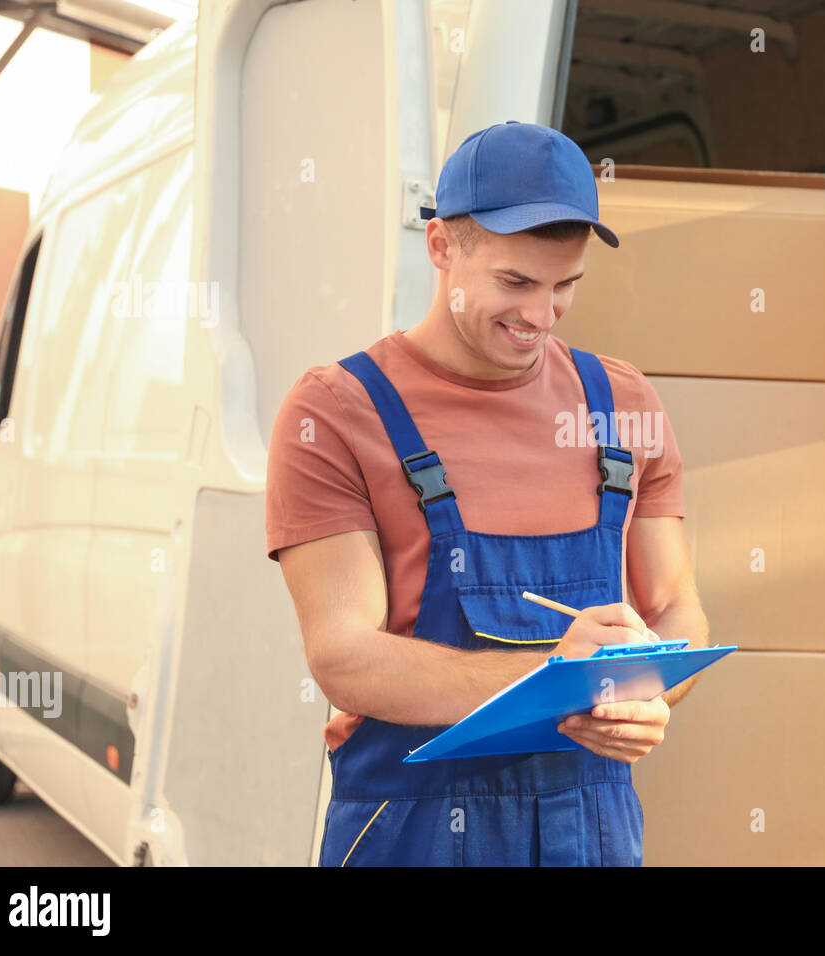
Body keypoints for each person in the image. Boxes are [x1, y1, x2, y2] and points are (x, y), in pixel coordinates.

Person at [265, 121, 708, 866]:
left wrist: (647, 694)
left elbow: (674, 609)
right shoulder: (338, 412)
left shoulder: (623, 406)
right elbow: (342, 655)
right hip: (413, 831)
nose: (541, 316)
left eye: (565, 286)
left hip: (592, 827)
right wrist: (558, 682)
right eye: (515, 283)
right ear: (441, 247)